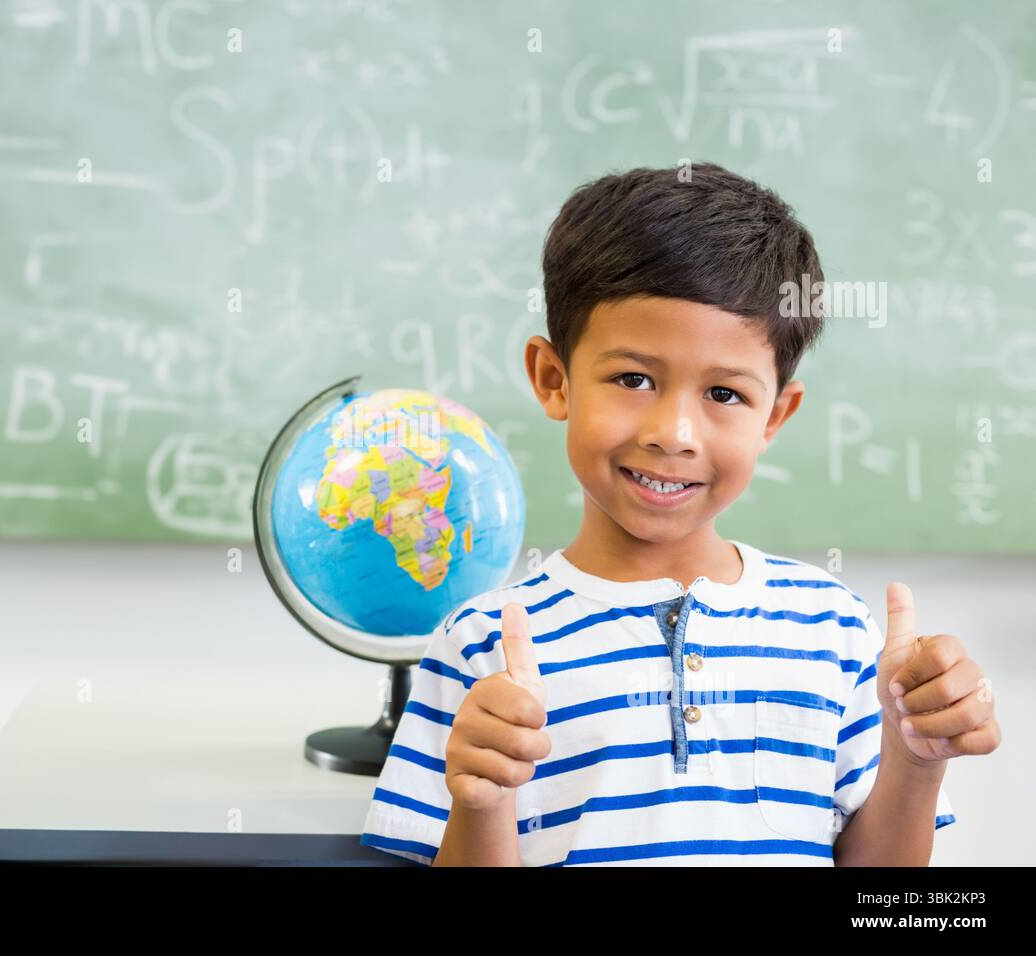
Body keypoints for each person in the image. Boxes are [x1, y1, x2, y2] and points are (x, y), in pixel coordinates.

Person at [360, 163, 1000, 866]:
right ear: (553, 378)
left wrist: (915, 763)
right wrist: (483, 804)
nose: (675, 433)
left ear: (776, 416)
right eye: (633, 379)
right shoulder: (479, 646)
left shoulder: (836, 630)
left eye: (724, 394)